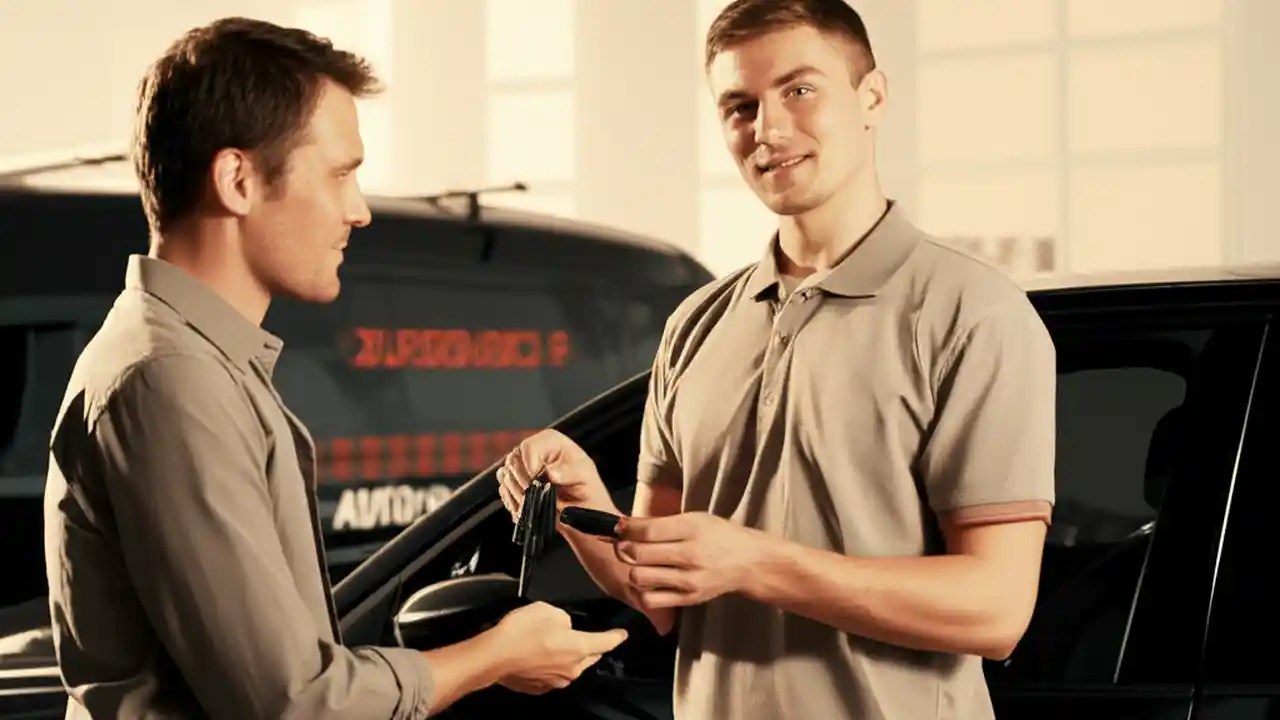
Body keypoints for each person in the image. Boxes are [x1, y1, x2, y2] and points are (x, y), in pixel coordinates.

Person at [42, 16, 625, 720]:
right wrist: (497, 654)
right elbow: (293, 702)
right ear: (238, 180)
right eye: (341, 174)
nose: (359, 210)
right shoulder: (172, 380)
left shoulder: (189, 363)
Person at [497, 1, 1055, 718]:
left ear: (872, 95)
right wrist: (583, 505)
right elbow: (659, 590)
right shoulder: (696, 326)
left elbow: (996, 610)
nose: (767, 129)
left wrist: (755, 562)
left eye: (799, 89)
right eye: (739, 105)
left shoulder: (971, 313)